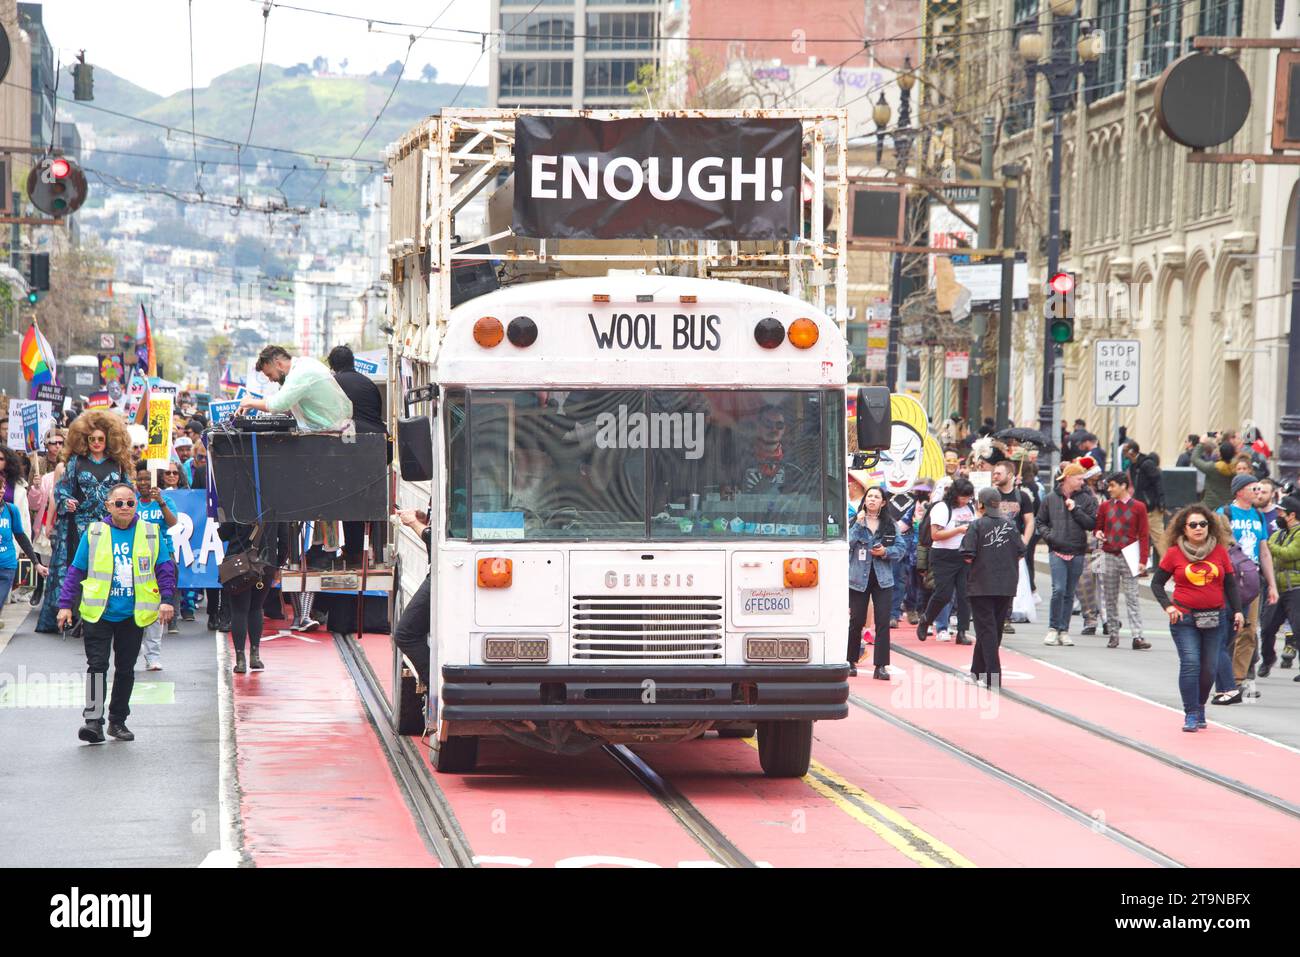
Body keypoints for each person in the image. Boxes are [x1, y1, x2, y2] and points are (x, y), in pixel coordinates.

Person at [58, 483, 177, 744]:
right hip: (98, 612)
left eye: (130, 503)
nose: (125, 507)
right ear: (108, 506)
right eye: (119, 503)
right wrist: (65, 604)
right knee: (97, 666)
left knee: (125, 669)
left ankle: (117, 721)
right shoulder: (95, 532)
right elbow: (76, 570)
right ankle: (93, 721)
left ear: (136, 505)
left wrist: (167, 600)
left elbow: (165, 568)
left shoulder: (150, 532)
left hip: (133, 614)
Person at [37, 412, 133, 634]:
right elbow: (61, 490)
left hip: (110, 524)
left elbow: (129, 491)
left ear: (109, 439)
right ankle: (79, 616)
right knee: (81, 570)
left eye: (101, 439)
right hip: (80, 525)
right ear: (85, 440)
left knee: (108, 569)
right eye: (92, 439)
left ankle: (104, 615)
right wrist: (67, 501)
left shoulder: (117, 464)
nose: (97, 443)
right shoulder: (75, 463)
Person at [1151, 505, 1243, 732]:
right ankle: (1191, 713)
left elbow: (1230, 583)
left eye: (1203, 524)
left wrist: (1238, 610)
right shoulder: (1174, 553)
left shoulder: (1220, 551)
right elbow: (1156, 583)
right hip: (1185, 619)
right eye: (1193, 525)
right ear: (1184, 529)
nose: (1199, 528)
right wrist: (1168, 607)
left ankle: (1200, 705)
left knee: (1210, 669)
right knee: (1191, 664)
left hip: (1215, 617)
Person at [1218, 473, 1280, 699]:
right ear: (1239, 491)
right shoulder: (1224, 513)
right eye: (1253, 488)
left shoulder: (1257, 515)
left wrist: (1271, 584)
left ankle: (1238, 679)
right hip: (1230, 578)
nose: (1257, 492)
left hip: (1252, 578)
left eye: (1258, 489)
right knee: (1228, 629)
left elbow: (1264, 551)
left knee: (1249, 630)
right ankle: (1221, 677)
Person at [962, 486, 1025, 688]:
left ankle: (993, 676)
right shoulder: (1011, 525)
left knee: (986, 630)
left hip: (981, 584)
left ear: (980, 504)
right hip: (1006, 584)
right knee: (993, 629)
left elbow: (967, 554)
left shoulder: (977, 525)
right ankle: (976, 671)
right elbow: (1021, 551)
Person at [1038, 461, 1097, 646]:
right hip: (1057, 549)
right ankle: (1053, 628)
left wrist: (1076, 510)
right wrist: (1051, 537)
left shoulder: (1086, 499)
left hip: (1078, 550)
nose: (1082, 482)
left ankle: (1064, 630)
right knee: (1059, 590)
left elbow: (1091, 523)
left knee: (1070, 592)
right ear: (1068, 478)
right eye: (1079, 479)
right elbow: (1041, 522)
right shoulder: (1050, 498)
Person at [849, 485, 904, 679]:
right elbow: (847, 544)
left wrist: (886, 552)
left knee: (882, 622)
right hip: (857, 578)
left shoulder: (890, 524)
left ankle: (880, 666)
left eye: (876, 497)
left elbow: (901, 548)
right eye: (869, 496)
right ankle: (851, 661)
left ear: (883, 502)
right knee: (856, 620)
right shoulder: (855, 522)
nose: (872, 499)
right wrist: (858, 523)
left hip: (883, 579)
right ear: (864, 501)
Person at [1095, 471, 1152, 650]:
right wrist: (1098, 533)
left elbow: (1144, 534)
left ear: (1123, 486)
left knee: (1132, 596)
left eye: (1112, 486)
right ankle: (1113, 633)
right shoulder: (1105, 506)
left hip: (1129, 555)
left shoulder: (1139, 507)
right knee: (1110, 596)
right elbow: (1098, 527)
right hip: (1109, 554)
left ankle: (1137, 635)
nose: (1109, 489)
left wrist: (1143, 560)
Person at [218, 520, 283, 674]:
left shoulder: (236, 503)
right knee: (256, 608)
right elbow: (285, 540)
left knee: (239, 611)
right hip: (266, 563)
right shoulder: (275, 505)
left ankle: (240, 660)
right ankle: (255, 655)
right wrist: (277, 565)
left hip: (239, 564)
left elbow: (223, 534)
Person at [916, 478, 976, 645]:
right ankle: (926, 619)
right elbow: (935, 535)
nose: (965, 501)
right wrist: (958, 530)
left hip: (964, 554)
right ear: (955, 494)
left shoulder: (970, 507)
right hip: (943, 555)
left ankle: (962, 632)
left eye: (968, 497)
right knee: (943, 594)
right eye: (963, 497)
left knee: (965, 595)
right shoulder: (942, 508)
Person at [239, 345, 353, 431]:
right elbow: (286, 405)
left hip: (334, 433)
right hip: (334, 429)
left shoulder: (300, 373)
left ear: (279, 364)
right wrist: (255, 404)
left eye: (269, 374)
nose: (271, 380)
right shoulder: (303, 364)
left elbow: (278, 404)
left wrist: (249, 402)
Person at [134, 461, 180, 658]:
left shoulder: (165, 500)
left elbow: (172, 523)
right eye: (140, 479)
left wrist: (160, 501)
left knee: (162, 594)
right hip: (136, 557)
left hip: (162, 555)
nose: (143, 483)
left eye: (147, 479)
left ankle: (154, 651)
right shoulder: (131, 502)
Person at [392, 507, 433, 692]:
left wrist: (414, 523)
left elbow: (436, 539)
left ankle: (436, 687)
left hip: (445, 573)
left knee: (405, 634)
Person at [1259, 495, 1300, 679]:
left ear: (1292, 515)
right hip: (1276, 588)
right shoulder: (1277, 534)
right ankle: (1268, 659)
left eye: (1281, 512)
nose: (1278, 515)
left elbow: (1289, 553)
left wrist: (1269, 546)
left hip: (1296, 588)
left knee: (1298, 629)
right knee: (1267, 628)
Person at [1124, 440, 1165, 566]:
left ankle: (1170, 566)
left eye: (1126, 451)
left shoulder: (1146, 464)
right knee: (1140, 536)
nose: (1124, 454)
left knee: (1158, 537)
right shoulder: (1134, 466)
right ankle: (1140, 564)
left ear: (1131, 452)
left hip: (1151, 507)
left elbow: (1158, 482)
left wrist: (1161, 501)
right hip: (1141, 507)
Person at [1193, 438, 1235, 511]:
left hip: (1210, 505)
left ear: (1220, 454)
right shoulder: (1235, 470)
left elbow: (1195, 459)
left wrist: (1201, 444)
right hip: (1229, 506)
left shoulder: (1212, 468)